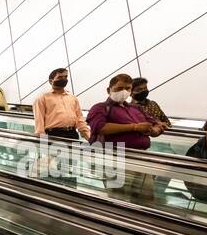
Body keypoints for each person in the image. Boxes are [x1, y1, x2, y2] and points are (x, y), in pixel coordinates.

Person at [87, 73, 163, 202]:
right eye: (118, 88)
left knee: (146, 198)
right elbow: (100, 127)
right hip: (116, 158)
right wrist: (134, 127)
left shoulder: (136, 108)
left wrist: (155, 130)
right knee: (120, 199)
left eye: (128, 88)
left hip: (142, 157)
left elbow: (155, 123)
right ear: (108, 90)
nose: (124, 92)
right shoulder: (100, 108)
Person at [32, 68, 90, 141]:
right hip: (53, 136)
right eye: (60, 77)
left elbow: (80, 121)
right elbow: (39, 123)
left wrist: (90, 138)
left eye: (65, 77)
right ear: (51, 81)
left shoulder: (73, 98)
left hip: (72, 135)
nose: (64, 79)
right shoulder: (42, 98)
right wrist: (43, 143)